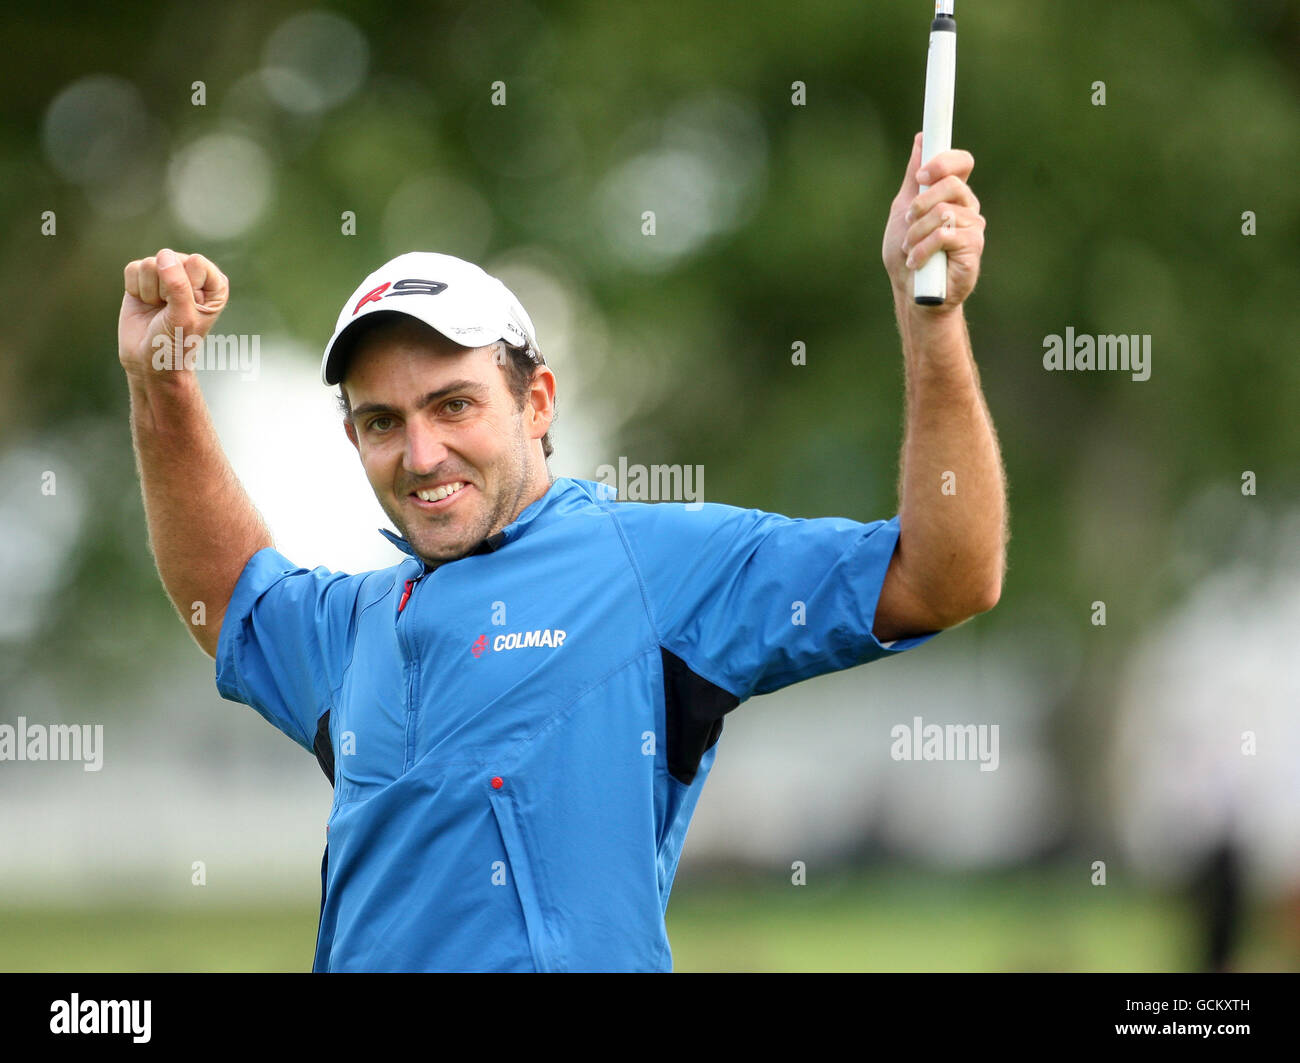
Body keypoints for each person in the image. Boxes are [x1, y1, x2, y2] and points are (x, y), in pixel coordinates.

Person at [118, 132, 1006, 972]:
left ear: (536, 402)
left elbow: (945, 576)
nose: (421, 454)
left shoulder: (653, 565)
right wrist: (161, 386)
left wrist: (932, 321)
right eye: (382, 421)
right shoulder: (353, 627)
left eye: (454, 404)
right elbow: (226, 594)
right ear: (353, 438)